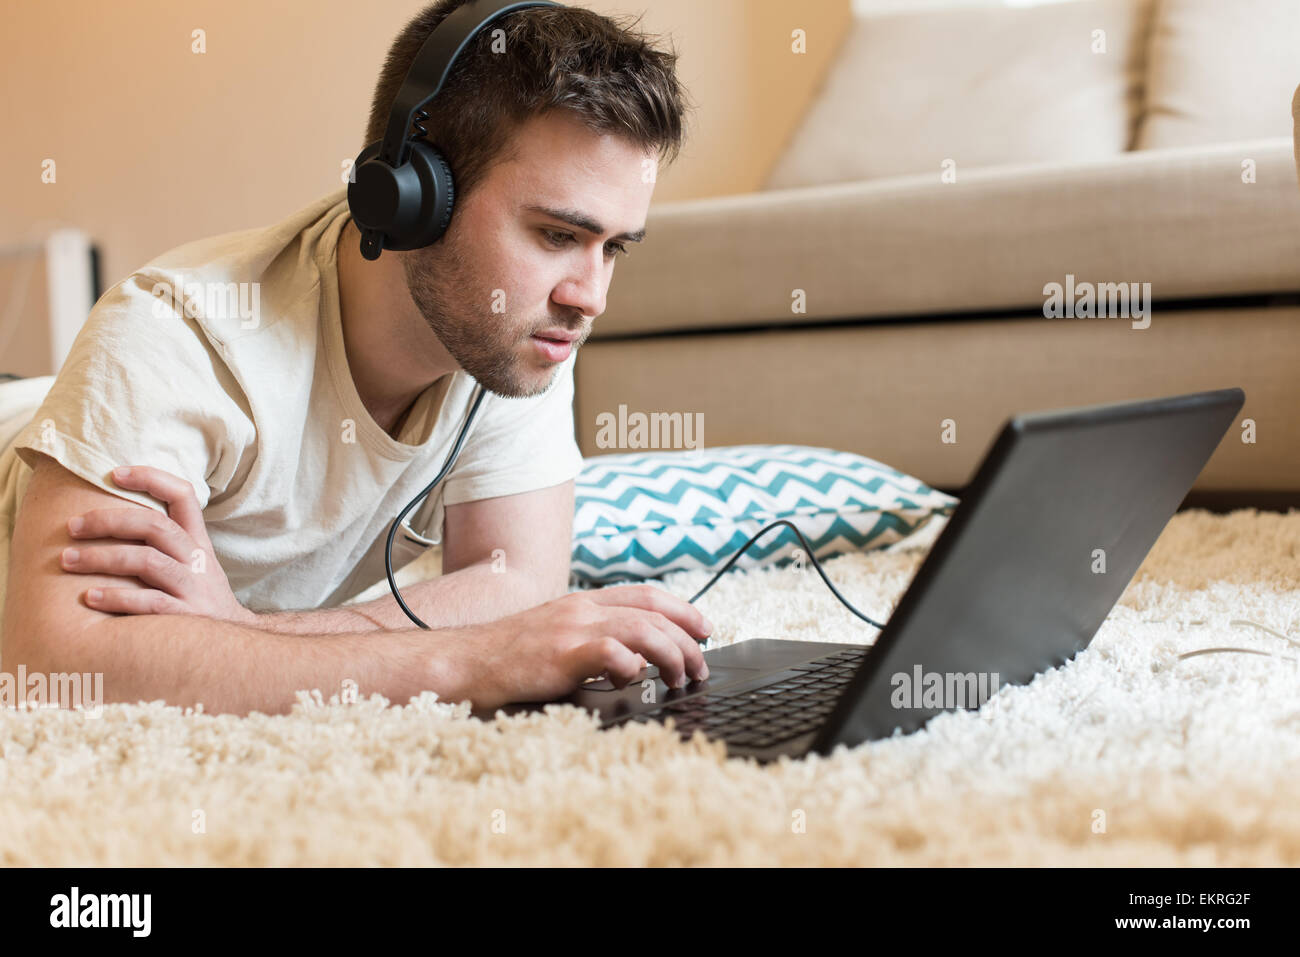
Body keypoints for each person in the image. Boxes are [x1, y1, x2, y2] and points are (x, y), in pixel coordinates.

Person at [0, 0, 711, 716]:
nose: (591, 297)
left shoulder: (513, 331)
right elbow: (51, 663)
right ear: (408, 199)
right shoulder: (173, 339)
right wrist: (476, 658)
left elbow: (517, 578)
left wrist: (246, 634)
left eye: (613, 247)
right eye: (557, 235)